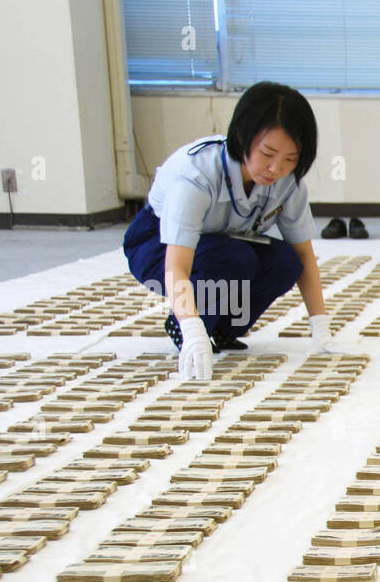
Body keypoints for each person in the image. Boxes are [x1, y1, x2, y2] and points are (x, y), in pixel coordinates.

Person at [123, 81, 338, 380]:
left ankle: (224, 328)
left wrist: (321, 327)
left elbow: (304, 254)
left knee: (285, 261)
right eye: (268, 153)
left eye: (290, 159)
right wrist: (192, 328)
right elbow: (176, 264)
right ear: (242, 136)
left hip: (221, 243)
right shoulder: (197, 174)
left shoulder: (288, 183)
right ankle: (188, 325)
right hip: (156, 243)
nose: (276, 168)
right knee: (235, 259)